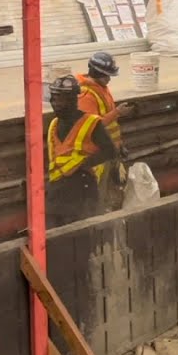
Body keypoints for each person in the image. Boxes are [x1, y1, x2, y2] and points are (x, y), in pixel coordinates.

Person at [46, 75, 118, 227]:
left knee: (82, 232)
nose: (56, 104)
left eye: (61, 99)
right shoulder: (54, 124)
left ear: (73, 100)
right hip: (57, 189)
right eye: (54, 99)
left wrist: (82, 165)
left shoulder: (91, 122)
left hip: (82, 188)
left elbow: (110, 151)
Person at [76, 51, 134, 210]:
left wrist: (118, 145)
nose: (109, 79)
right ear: (96, 73)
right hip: (97, 156)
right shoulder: (86, 95)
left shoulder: (101, 88)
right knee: (98, 194)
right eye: (106, 75)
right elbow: (91, 126)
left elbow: (109, 123)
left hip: (109, 150)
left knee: (113, 190)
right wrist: (117, 113)